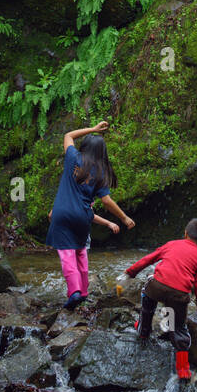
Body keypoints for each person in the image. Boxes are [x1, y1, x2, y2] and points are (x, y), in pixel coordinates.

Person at [46, 120, 134, 309]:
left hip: (62, 215)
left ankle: (74, 292)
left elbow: (68, 135)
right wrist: (123, 217)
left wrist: (93, 129)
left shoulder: (73, 158)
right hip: (84, 217)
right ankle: (84, 291)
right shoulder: (101, 173)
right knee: (80, 252)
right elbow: (107, 201)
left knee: (67, 254)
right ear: (102, 153)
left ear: (84, 147)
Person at [123, 219, 197, 382]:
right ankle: (183, 368)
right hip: (178, 295)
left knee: (147, 297)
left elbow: (149, 259)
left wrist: (131, 272)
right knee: (179, 327)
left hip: (156, 286)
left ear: (185, 233)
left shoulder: (172, 244)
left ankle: (143, 330)